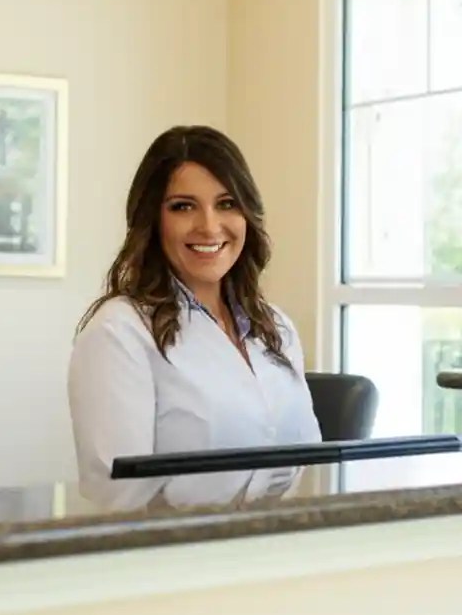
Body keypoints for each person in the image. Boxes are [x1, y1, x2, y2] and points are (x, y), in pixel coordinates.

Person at [67, 125, 321, 511]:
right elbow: (120, 494)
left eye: (227, 203)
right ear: (153, 219)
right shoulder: (119, 333)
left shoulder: (277, 328)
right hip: (179, 559)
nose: (208, 225)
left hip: (278, 548)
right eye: (183, 206)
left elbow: (308, 463)